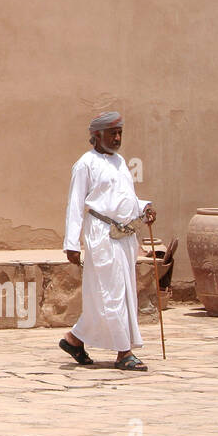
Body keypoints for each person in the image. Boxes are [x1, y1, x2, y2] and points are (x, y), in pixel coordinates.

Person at [59, 111, 157, 371]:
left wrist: (144, 208)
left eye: (120, 133)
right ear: (96, 136)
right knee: (110, 294)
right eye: (112, 133)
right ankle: (124, 353)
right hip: (101, 236)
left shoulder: (121, 162)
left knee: (121, 294)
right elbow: (75, 204)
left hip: (124, 237)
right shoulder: (85, 164)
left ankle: (74, 339)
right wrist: (71, 243)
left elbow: (124, 200)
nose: (117, 138)